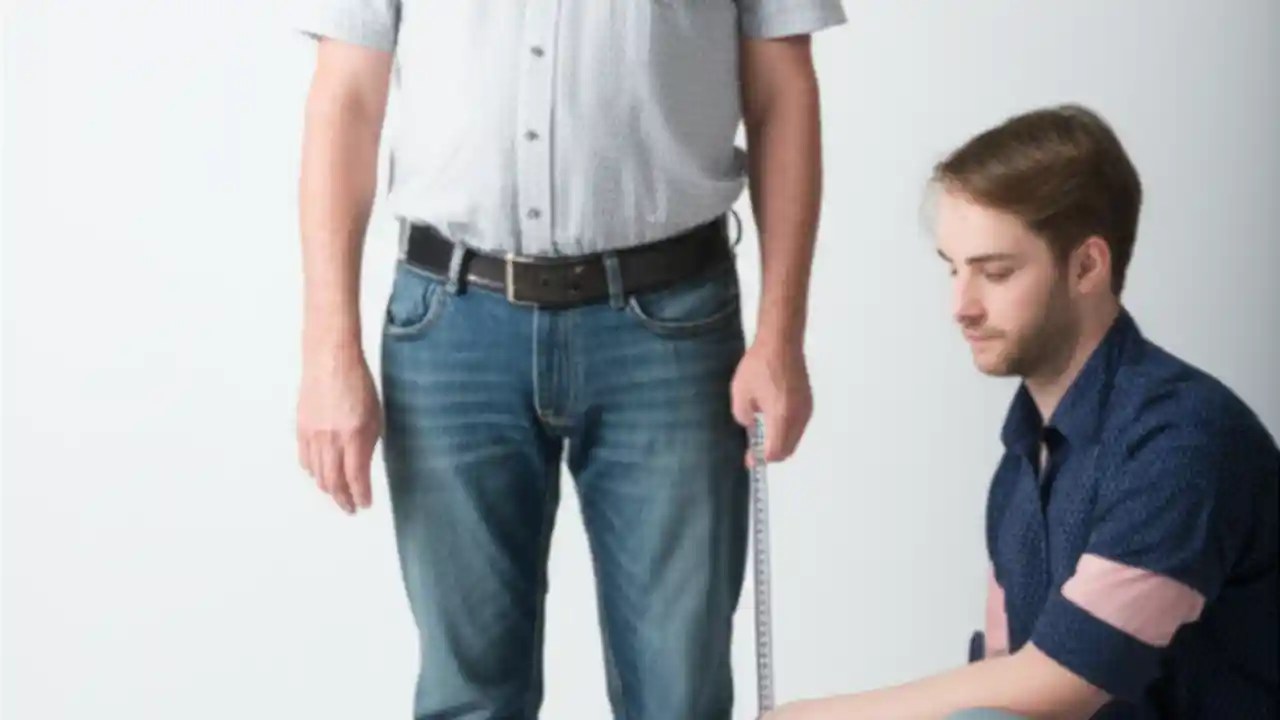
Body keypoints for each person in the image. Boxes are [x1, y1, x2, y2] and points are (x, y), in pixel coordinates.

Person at [291, 1, 847, 717]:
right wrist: (328, 353)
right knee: (469, 695)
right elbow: (344, 99)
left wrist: (782, 335)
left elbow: (782, 89)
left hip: (669, 329)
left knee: (678, 691)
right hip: (452, 328)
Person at [768, 104, 1278, 719]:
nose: (962, 306)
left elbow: (1062, 683)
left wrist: (813, 716)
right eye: (953, 271)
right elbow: (1007, 680)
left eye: (996, 273)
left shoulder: (1180, 441)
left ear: (1087, 265)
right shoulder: (1022, 465)